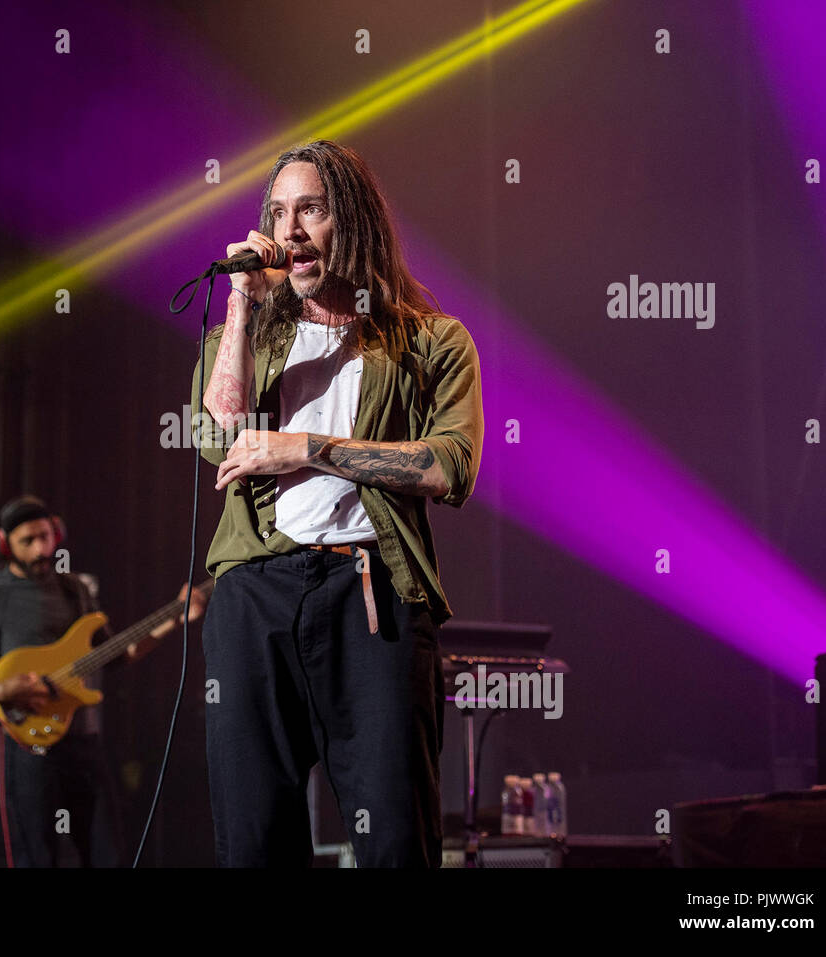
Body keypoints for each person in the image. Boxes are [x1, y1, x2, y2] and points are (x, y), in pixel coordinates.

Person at [192, 140, 484, 867]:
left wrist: (306, 447)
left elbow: (449, 465)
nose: (290, 230)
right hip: (254, 597)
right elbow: (215, 433)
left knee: (393, 836)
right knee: (254, 841)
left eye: (311, 210)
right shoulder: (247, 336)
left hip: (372, 593)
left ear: (349, 222)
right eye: (278, 213)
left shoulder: (431, 342)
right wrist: (240, 301)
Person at [0, 494, 204, 867]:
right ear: (4, 545)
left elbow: (117, 655)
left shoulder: (76, 590)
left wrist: (174, 619)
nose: (40, 549)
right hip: (31, 747)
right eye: (28, 541)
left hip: (85, 742)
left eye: (46, 537)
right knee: (38, 858)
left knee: (108, 855)